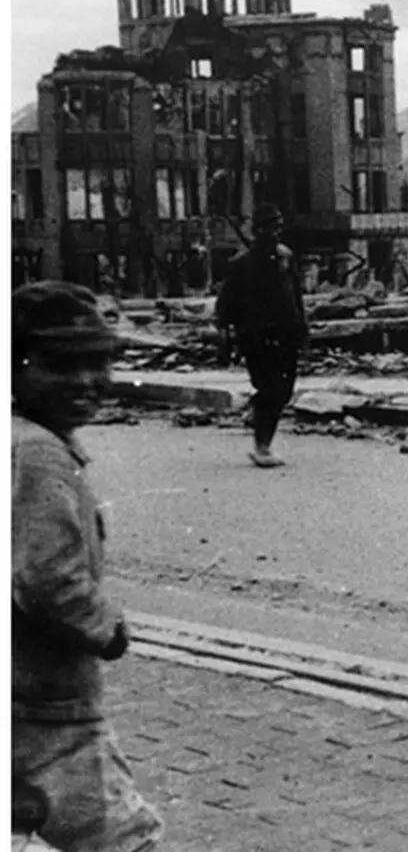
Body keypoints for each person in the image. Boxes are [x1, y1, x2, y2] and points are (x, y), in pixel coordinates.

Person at [12, 280, 165, 851]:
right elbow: (46, 577)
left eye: (96, 364)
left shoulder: (22, 440)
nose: (85, 383)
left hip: (28, 694)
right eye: (59, 367)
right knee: (126, 840)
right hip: (50, 707)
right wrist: (107, 628)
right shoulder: (37, 452)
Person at [215, 203, 309, 468]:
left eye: (277, 227)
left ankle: (259, 417)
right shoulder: (242, 264)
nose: (274, 233)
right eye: (268, 228)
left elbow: (296, 298)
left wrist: (302, 330)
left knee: (284, 391)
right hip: (256, 337)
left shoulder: (286, 258)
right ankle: (262, 445)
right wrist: (227, 337)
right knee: (269, 388)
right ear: (257, 231)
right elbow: (225, 304)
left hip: (286, 335)